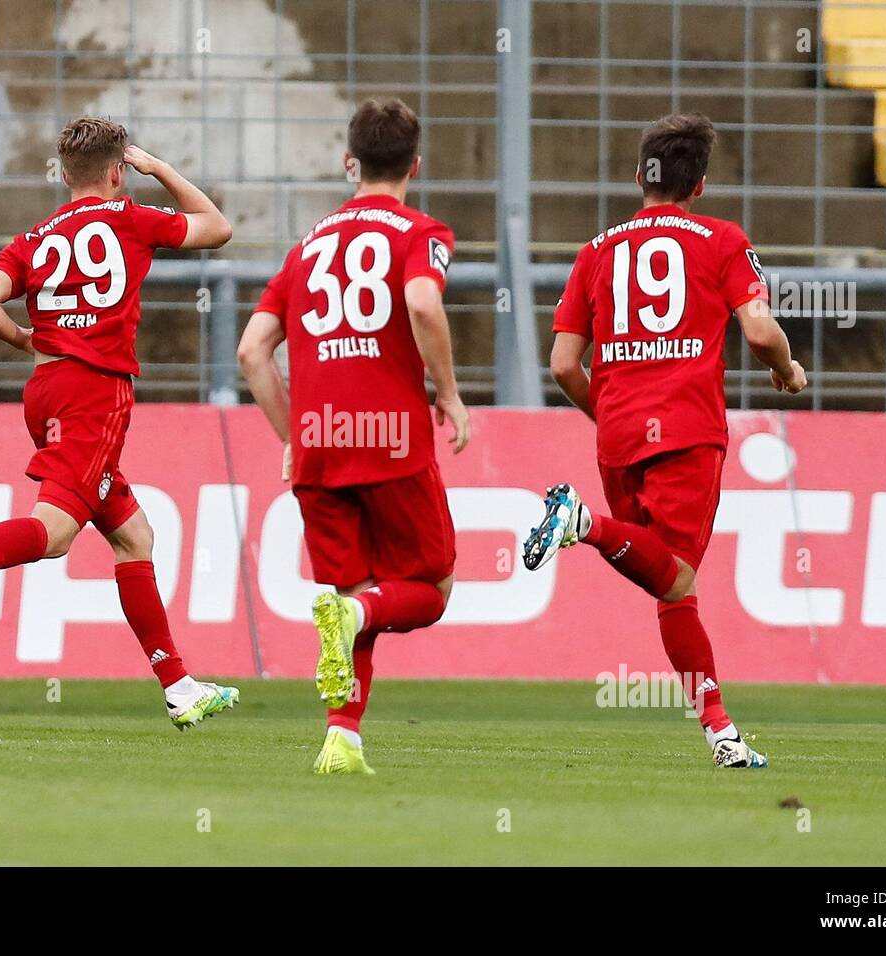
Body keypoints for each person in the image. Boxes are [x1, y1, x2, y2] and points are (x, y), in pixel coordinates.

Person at [0, 117, 239, 731]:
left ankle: (180, 686)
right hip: (95, 393)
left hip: (46, 386)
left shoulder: (34, 237)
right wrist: (158, 167)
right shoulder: (130, 217)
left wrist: (24, 338)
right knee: (54, 533)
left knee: (133, 537)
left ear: (63, 174)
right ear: (117, 172)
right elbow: (217, 227)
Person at [525, 112, 808, 768]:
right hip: (687, 429)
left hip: (618, 431)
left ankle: (720, 731)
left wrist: (614, 413)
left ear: (637, 176)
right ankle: (584, 524)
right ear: (700, 185)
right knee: (677, 572)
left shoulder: (597, 251)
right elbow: (762, 332)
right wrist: (785, 369)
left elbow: (565, 364)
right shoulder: (721, 240)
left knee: (670, 586)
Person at [237, 99, 470, 774]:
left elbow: (253, 352)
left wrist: (292, 434)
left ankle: (343, 739)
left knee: (353, 596)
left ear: (350, 163)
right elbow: (423, 302)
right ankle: (352, 658)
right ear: (414, 166)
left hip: (319, 443)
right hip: (392, 440)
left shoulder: (306, 246)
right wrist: (449, 395)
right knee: (430, 588)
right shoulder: (421, 230)